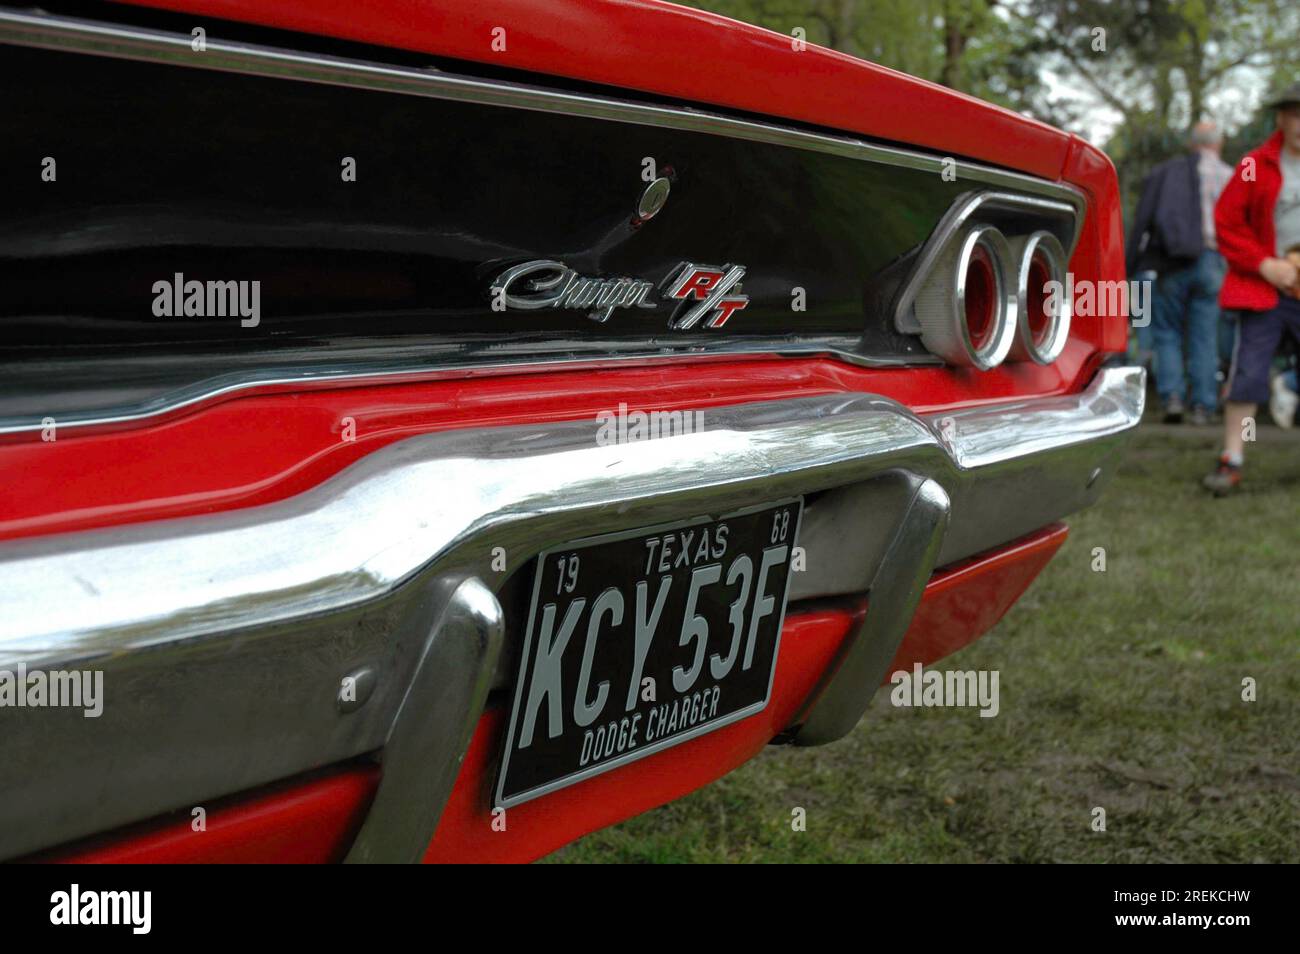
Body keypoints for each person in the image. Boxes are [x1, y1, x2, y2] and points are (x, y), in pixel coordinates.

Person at [1203, 84, 1300, 495]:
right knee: (1249, 376)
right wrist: (1265, 264)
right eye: (1296, 113)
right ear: (1281, 117)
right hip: (1264, 290)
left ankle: (1290, 385)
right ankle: (1233, 460)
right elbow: (1226, 221)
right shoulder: (1253, 165)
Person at [1128, 122, 1233, 425]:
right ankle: (1203, 405)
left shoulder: (1166, 173)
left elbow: (1143, 220)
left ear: (1192, 144)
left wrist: (1131, 264)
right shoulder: (1229, 176)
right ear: (1219, 143)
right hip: (1212, 261)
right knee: (1204, 335)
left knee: (1166, 332)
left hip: (1171, 261)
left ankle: (1172, 397)